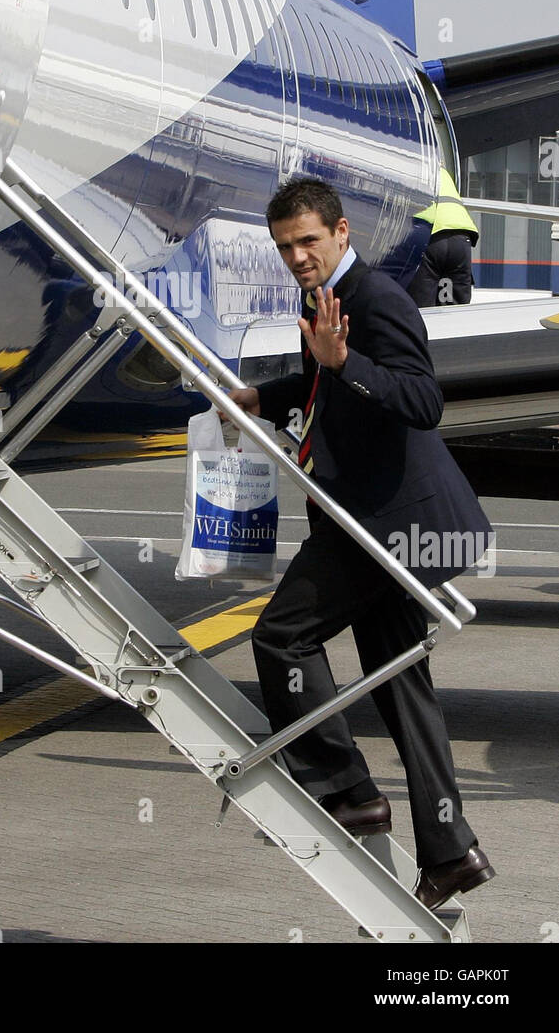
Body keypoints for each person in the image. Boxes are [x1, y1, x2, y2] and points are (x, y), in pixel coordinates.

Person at [229, 177, 495, 909]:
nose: (296, 257)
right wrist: (273, 395)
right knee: (399, 682)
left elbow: (422, 399)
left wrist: (345, 364)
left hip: (394, 524)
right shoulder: (320, 301)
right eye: (285, 246)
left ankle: (344, 790)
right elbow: (324, 386)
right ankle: (450, 851)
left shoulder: (378, 299)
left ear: (341, 234)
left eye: (308, 241)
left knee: (281, 637)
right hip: (382, 521)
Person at [407, 166, 479, 307]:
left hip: (431, 236)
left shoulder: (408, 165)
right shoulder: (441, 170)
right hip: (461, 237)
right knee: (454, 311)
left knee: (422, 311)